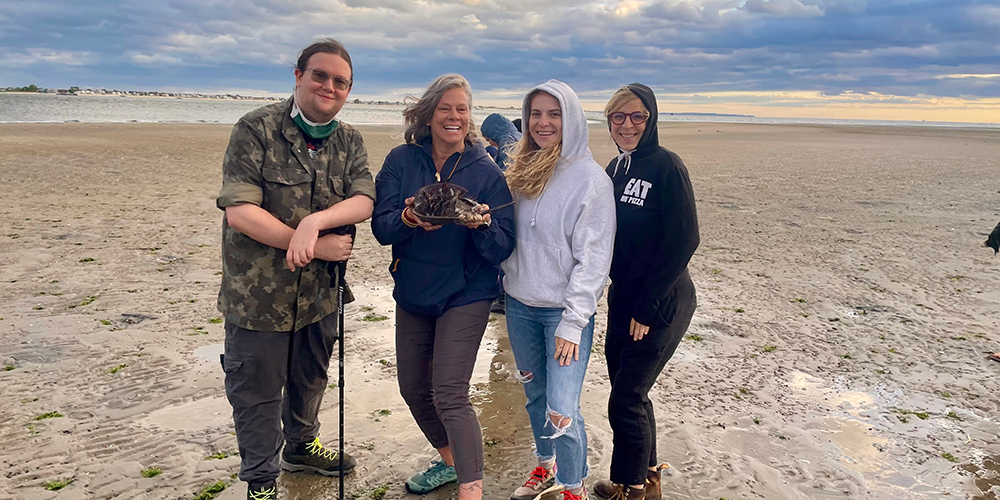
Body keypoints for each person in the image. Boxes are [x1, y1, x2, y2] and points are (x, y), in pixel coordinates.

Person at [215, 38, 376, 500]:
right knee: (256, 391)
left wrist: (315, 223)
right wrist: (308, 244)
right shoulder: (256, 128)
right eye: (320, 75)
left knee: (310, 376)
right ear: (299, 75)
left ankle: (303, 445)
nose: (329, 86)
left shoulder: (349, 140)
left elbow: (364, 199)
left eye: (340, 82)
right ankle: (262, 481)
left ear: (348, 91)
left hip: (320, 296)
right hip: (257, 298)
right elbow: (240, 209)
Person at [371, 74, 515, 500]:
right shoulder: (401, 160)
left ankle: (471, 491)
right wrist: (410, 219)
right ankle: (451, 462)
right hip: (414, 288)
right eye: (446, 108)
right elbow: (382, 227)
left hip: (467, 291)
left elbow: (503, 246)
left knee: (449, 392)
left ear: (470, 118)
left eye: (462, 109)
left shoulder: (485, 170)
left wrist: (483, 225)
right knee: (414, 389)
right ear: (429, 113)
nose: (454, 116)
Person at [502, 80, 616, 500]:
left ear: (572, 119)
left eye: (554, 114)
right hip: (519, 305)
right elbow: (508, 235)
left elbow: (594, 261)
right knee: (534, 396)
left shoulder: (590, 181)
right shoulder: (522, 169)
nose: (544, 122)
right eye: (536, 114)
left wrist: (572, 322)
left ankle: (573, 485)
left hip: (562, 315)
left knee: (561, 408)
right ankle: (546, 466)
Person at [592, 84, 699, 500]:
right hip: (625, 297)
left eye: (637, 116)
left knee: (626, 397)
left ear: (651, 119)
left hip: (661, 300)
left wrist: (648, 306)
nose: (628, 125)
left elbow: (684, 239)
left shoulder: (667, 167)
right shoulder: (615, 170)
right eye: (618, 117)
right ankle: (645, 476)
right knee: (629, 391)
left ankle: (632, 489)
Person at [480, 113, 523, 313]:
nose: (489, 141)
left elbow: (504, 178)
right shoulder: (517, 138)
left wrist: (490, 164)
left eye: (488, 136)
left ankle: (503, 298)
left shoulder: (508, 143)